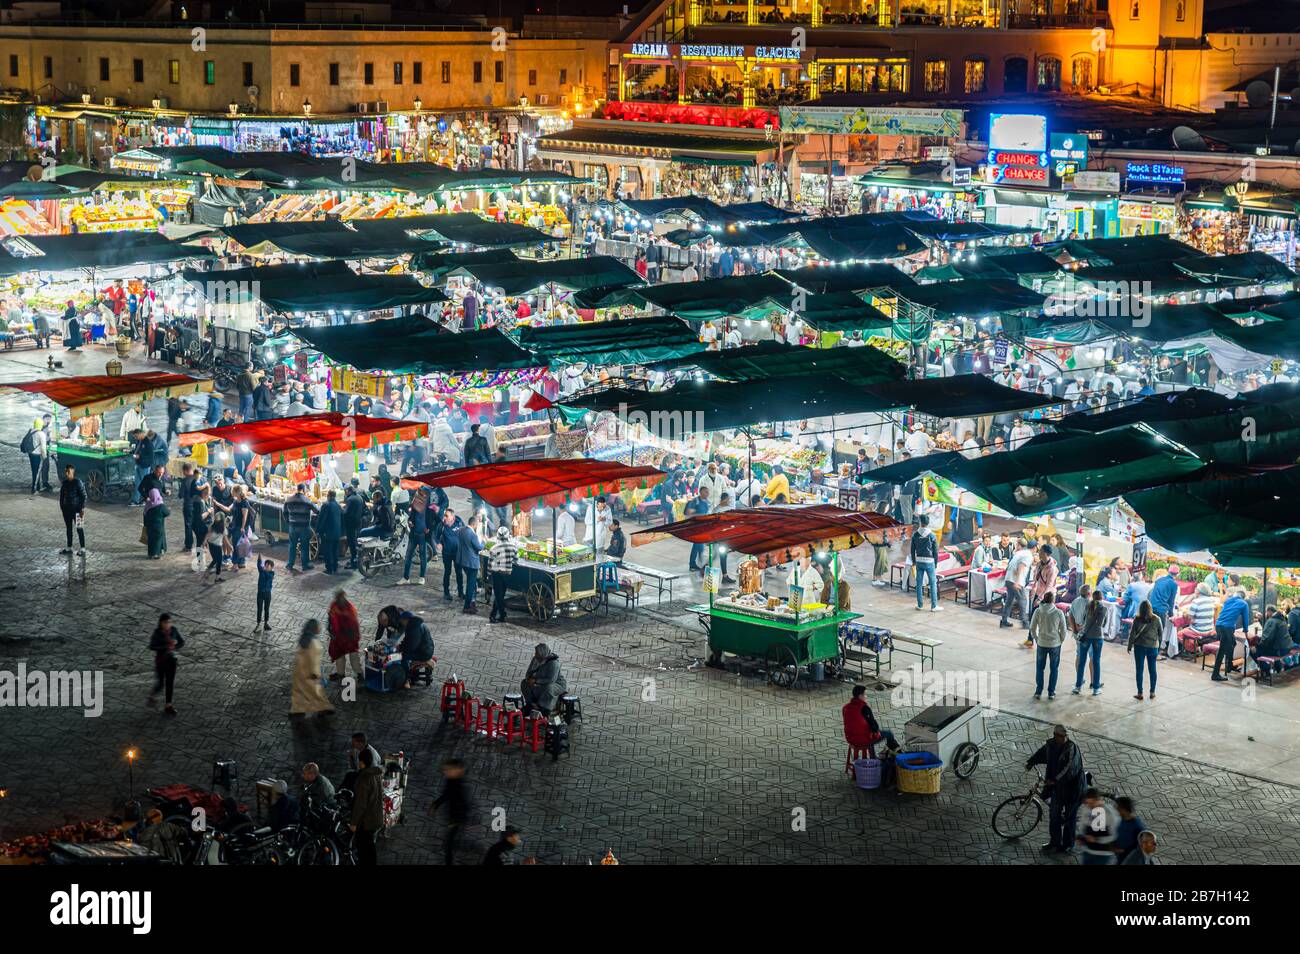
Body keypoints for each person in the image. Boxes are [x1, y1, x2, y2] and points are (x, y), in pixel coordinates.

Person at [1025, 724, 1085, 854]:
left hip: (1072, 789)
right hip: (1057, 788)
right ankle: (1055, 842)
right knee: (1054, 816)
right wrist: (1031, 761)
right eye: (1062, 736)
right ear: (1055, 735)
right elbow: (1041, 753)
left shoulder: (1071, 748)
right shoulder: (1050, 745)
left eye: (1065, 736)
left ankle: (1068, 844)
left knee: (1070, 818)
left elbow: (1069, 769)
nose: (1064, 738)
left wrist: (1055, 780)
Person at [431, 758, 472, 865]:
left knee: (449, 845)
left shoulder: (459, 786)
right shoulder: (450, 781)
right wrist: (435, 804)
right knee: (450, 844)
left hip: (457, 820)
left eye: (449, 770)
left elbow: (465, 804)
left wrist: (467, 821)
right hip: (453, 818)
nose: (446, 772)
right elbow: (446, 795)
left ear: (458, 771)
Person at [291, 619, 334, 717]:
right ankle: (323, 708)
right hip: (310, 672)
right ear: (315, 629)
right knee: (316, 692)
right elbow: (314, 659)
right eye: (319, 626)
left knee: (300, 692)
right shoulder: (314, 643)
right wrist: (316, 673)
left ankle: (297, 710)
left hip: (300, 671)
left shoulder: (303, 639)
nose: (320, 628)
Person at [1029, 589, 1066, 699]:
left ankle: (1038, 691)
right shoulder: (1058, 612)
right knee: (1054, 669)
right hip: (1055, 644)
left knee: (1040, 668)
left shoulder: (1038, 611)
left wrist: (1036, 638)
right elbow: (1063, 630)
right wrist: (1060, 640)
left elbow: (1032, 628)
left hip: (1042, 643)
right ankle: (1051, 692)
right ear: (1053, 600)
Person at [349, 747, 384, 865]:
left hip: (366, 820)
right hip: (375, 816)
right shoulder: (376, 774)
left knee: (364, 850)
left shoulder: (364, 778)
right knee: (370, 848)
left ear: (362, 762)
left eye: (359, 760)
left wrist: (354, 822)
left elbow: (360, 804)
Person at [841, 684, 896, 755]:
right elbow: (874, 727)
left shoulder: (845, 707)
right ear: (860, 696)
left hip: (850, 739)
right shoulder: (864, 708)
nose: (866, 697)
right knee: (888, 733)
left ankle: (874, 757)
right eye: (865, 695)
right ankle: (894, 752)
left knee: (867, 733)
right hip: (863, 740)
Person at [147, 613, 184, 715]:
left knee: (170, 683)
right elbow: (152, 646)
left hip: (172, 660)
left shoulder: (174, 630)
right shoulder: (157, 633)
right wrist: (165, 647)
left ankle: (168, 705)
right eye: (166, 622)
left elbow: (182, 642)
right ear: (161, 623)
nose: (168, 624)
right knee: (161, 683)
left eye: (169, 622)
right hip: (161, 661)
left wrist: (175, 645)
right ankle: (152, 696)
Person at [1211, 588, 1251, 681]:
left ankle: (1229, 665)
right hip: (1227, 627)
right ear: (1243, 597)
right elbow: (1245, 619)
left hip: (1218, 625)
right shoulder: (1244, 604)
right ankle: (1215, 674)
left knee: (1233, 643)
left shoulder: (1228, 601)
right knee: (1222, 650)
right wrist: (1246, 631)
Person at [1126, 599, 1162, 701]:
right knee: (1152, 670)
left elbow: (1132, 634)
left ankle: (1140, 693)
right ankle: (1152, 692)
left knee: (1139, 670)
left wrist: (1129, 646)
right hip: (1152, 647)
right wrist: (1158, 647)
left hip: (1139, 647)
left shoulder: (1137, 619)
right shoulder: (1157, 619)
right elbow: (1160, 634)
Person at [1073, 588, 1106, 695]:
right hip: (1097, 637)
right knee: (1096, 662)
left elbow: (1084, 619)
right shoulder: (1103, 608)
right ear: (1101, 598)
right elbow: (1101, 624)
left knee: (1082, 661)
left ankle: (1078, 686)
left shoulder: (1088, 605)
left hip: (1086, 636)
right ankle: (1096, 688)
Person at [521, 642, 567, 716]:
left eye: (537, 653)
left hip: (556, 684)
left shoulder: (553, 663)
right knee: (524, 683)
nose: (535, 655)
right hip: (538, 682)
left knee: (548, 687)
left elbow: (551, 680)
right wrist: (529, 679)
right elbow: (528, 672)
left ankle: (543, 707)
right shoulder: (535, 659)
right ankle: (531, 704)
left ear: (542, 653)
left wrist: (536, 681)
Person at [1075, 788, 1119, 864]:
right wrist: (1080, 837)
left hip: (1103, 855)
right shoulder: (1087, 808)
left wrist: (1097, 839)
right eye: (1087, 803)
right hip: (1087, 851)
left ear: (1098, 800)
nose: (1089, 806)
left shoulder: (1110, 814)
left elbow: (1116, 836)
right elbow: (1083, 825)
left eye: (1091, 803)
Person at [398, 492, 432, 586]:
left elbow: (435, 519)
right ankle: (406, 577)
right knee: (408, 556)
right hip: (413, 534)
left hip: (422, 535)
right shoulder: (414, 506)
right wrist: (410, 522)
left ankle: (422, 577)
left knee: (422, 556)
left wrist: (428, 529)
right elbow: (410, 518)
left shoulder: (428, 508)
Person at [1027, 545, 1059, 645]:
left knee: (1045, 619)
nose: (1038, 552)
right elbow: (1036, 578)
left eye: (1040, 551)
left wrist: (1040, 598)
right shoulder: (1039, 564)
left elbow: (1049, 586)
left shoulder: (1052, 569)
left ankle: (1046, 640)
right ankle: (1030, 639)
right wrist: (1033, 588)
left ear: (1045, 553)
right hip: (1038, 593)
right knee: (1033, 616)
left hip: (1048, 596)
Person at [284, 483, 319, 572]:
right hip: (304, 527)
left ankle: (290, 564)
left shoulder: (289, 500)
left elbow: (284, 512)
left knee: (292, 546)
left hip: (293, 526)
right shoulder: (307, 500)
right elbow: (317, 510)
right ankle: (305, 565)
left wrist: (288, 521)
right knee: (304, 546)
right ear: (303, 490)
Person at [1000, 540, 1034, 631]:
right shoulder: (1028, 555)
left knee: (1009, 600)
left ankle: (1004, 620)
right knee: (1023, 601)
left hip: (1009, 579)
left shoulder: (1020, 553)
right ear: (1035, 548)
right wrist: (1018, 581)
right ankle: (1025, 622)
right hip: (1016, 581)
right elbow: (1021, 567)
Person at [910, 513, 940, 612]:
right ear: (928, 523)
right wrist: (936, 562)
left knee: (919, 583)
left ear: (920, 522)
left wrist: (914, 562)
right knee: (932, 583)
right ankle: (934, 606)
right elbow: (935, 551)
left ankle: (920, 605)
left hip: (919, 561)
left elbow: (912, 550)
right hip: (929, 561)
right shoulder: (932, 535)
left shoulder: (915, 534)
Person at [488, 525, 518, 623]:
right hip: (507, 573)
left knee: (498, 596)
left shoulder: (494, 548)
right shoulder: (514, 547)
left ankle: (501, 614)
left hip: (497, 574)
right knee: (501, 595)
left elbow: (490, 564)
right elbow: (516, 560)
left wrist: (488, 575)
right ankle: (496, 615)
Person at [397, 611, 435, 686]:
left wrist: (400, 650)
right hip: (426, 649)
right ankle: (415, 676)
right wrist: (401, 646)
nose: (402, 623)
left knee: (402, 656)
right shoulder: (415, 624)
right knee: (404, 652)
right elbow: (408, 640)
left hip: (424, 653)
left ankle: (406, 678)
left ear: (406, 620)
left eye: (402, 621)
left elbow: (411, 646)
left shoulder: (414, 628)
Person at [58, 463, 87, 556]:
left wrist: (82, 509)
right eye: (66, 471)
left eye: (68, 471)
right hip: (67, 510)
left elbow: (83, 496)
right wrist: (62, 508)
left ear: (72, 472)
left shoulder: (78, 482)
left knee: (79, 529)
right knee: (69, 529)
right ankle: (69, 547)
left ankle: (83, 548)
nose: (67, 473)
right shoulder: (65, 483)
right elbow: (61, 497)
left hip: (77, 510)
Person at [455, 517, 483, 614]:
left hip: (463, 561)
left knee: (472, 583)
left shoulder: (461, 530)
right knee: (471, 584)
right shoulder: (472, 534)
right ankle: (467, 606)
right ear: (474, 525)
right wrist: (483, 541)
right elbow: (479, 547)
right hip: (472, 563)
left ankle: (472, 602)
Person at [1254, 605, 1292, 673]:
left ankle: (1267, 670)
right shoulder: (1282, 618)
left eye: (1266, 612)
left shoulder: (1271, 621)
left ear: (1269, 611)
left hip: (1279, 651)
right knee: (1266, 647)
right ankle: (1278, 667)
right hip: (1287, 648)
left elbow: (1266, 639)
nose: (1266, 614)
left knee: (1254, 650)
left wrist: (1258, 645)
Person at [438, 507, 465, 601]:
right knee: (447, 572)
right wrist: (439, 543)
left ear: (452, 517)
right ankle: (446, 592)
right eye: (444, 515)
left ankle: (461, 592)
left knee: (459, 572)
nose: (444, 517)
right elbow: (436, 537)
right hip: (447, 553)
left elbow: (465, 532)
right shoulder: (441, 525)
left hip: (457, 553)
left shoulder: (459, 521)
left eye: (446, 516)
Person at [1111, 797, 1148, 865]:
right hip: (1121, 858)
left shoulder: (1137, 826)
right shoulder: (1121, 820)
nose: (1115, 809)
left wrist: (1122, 850)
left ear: (1123, 810)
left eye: (1117, 808)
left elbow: (1139, 847)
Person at [684, 487, 710, 574]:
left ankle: (699, 564)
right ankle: (693, 564)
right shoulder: (695, 501)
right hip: (695, 527)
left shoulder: (706, 502)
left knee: (700, 547)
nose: (707, 494)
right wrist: (698, 515)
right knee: (697, 545)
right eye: (706, 492)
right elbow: (688, 512)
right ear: (701, 492)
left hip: (702, 527)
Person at [317, 489, 343, 575]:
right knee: (335, 550)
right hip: (337, 532)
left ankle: (329, 569)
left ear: (328, 495)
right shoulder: (338, 505)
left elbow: (322, 519)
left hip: (328, 532)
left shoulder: (326, 505)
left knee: (327, 551)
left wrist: (319, 530)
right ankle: (335, 567)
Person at [22, 418, 49, 494]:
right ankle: (34, 490)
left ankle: (37, 487)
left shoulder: (31, 431)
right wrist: (44, 456)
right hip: (37, 455)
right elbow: (43, 448)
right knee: (37, 472)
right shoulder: (41, 434)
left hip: (31, 454)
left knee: (34, 471)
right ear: (40, 425)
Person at [143, 488, 169, 559]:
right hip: (158, 526)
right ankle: (156, 554)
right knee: (157, 540)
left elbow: (145, 514)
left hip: (149, 526)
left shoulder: (148, 504)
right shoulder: (160, 505)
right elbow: (167, 513)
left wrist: (145, 525)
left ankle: (150, 554)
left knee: (151, 539)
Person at [256, 558, 275, 630]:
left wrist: (264, 570)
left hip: (267, 594)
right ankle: (258, 623)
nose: (265, 567)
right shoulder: (262, 571)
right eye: (265, 565)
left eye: (267, 566)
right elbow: (259, 566)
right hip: (260, 593)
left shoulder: (271, 574)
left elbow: (268, 577)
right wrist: (259, 560)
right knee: (259, 609)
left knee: (266, 609)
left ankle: (266, 623)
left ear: (271, 567)